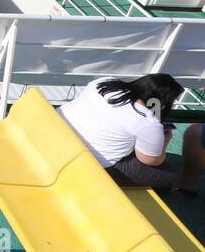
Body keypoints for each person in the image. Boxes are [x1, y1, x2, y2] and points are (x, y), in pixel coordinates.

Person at [59, 74, 202, 192]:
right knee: (169, 176)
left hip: (60, 131)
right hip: (91, 161)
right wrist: (165, 139)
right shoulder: (148, 122)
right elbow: (150, 160)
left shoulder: (104, 82)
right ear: (161, 102)